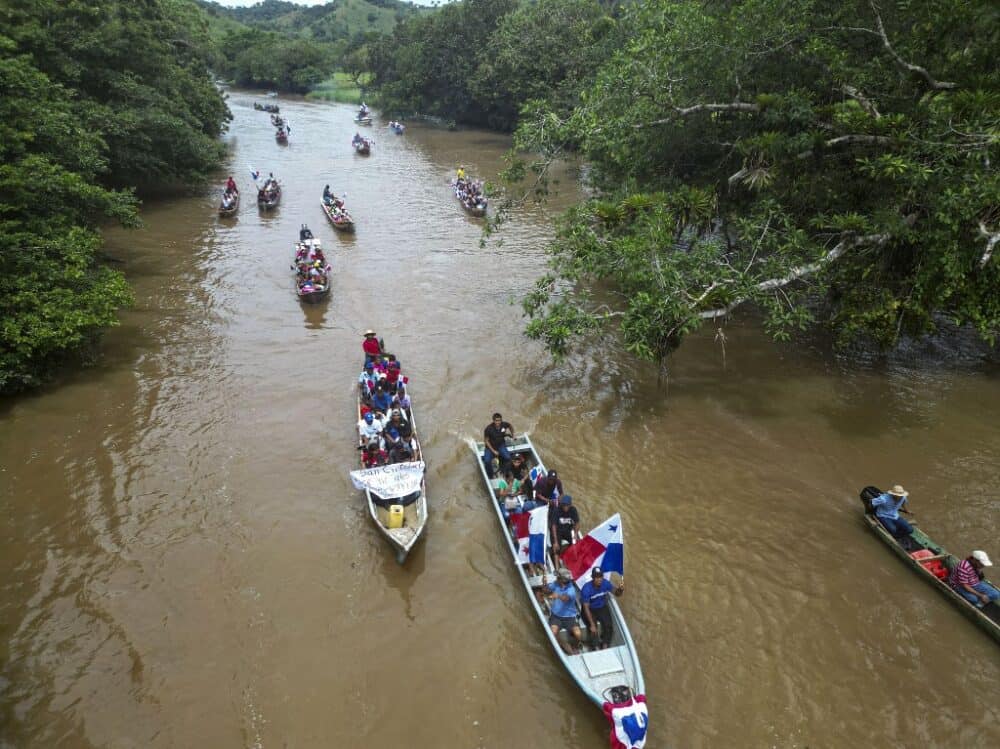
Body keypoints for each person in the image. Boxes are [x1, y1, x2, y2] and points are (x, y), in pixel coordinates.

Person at [580, 567, 624, 649]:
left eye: (601, 577)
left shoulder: (605, 583)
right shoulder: (586, 589)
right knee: (593, 629)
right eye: (597, 577)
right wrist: (592, 624)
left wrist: (620, 590)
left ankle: (605, 645)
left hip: (601, 607)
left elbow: (617, 593)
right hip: (589, 609)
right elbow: (586, 607)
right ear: (592, 577)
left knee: (608, 626)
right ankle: (595, 647)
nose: (599, 579)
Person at [546, 568, 582, 654]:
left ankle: (575, 646)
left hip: (570, 617)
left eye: (557, 577)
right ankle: (563, 644)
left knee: (578, 634)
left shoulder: (571, 590)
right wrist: (544, 584)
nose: (556, 579)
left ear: (561, 580)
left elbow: (565, 598)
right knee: (553, 632)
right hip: (556, 616)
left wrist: (557, 596)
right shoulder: (556, 584)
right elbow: (546, 590)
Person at [482, 412, 514, 478]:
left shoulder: (504, 424)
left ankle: (503, 471)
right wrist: (493, 451)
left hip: (501, 445)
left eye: (499, 420)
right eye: (496, 420)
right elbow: (486, 441)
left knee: (508, 458)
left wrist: (513, 435)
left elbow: (510, 426)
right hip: (490, 448)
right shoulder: (488, 429)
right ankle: (490, 475)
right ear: (493, 421)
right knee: (487, 461)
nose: (498, 422)